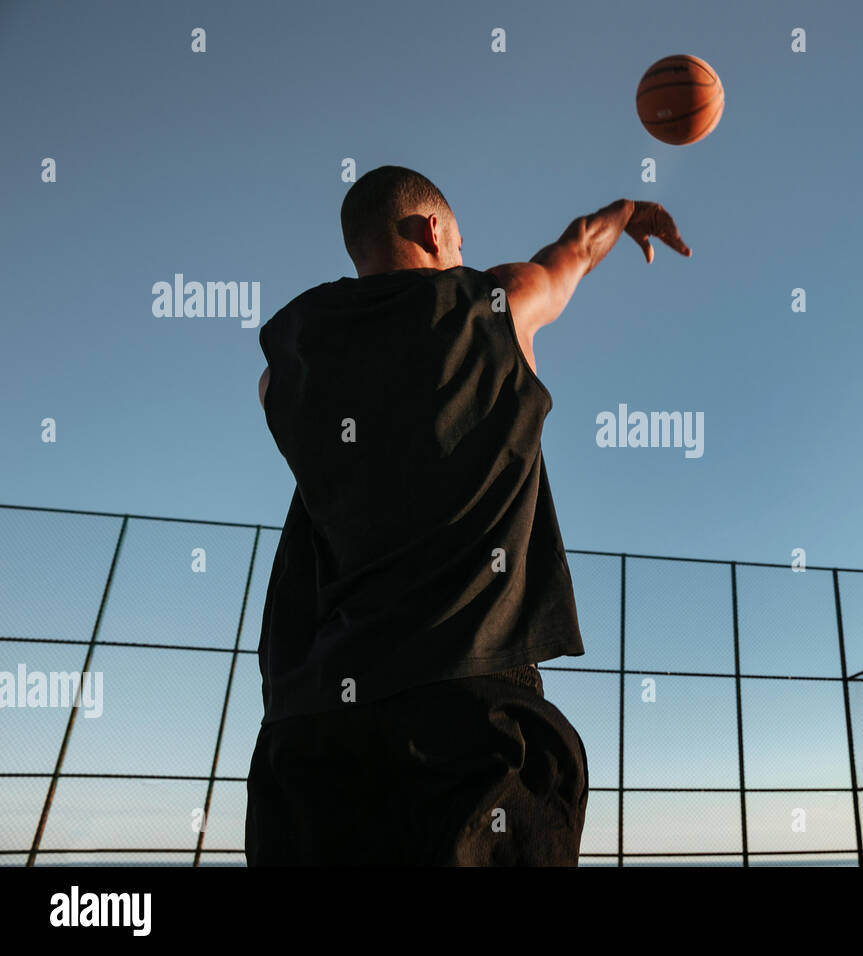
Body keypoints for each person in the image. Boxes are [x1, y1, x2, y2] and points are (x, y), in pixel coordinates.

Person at [244, 165, 691, 866]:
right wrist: (623, 209)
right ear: (432, 229)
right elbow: (574, 249)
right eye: (459, 240)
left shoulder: (284, 369)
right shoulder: (497, 302)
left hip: (308, 727)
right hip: (463, 715)